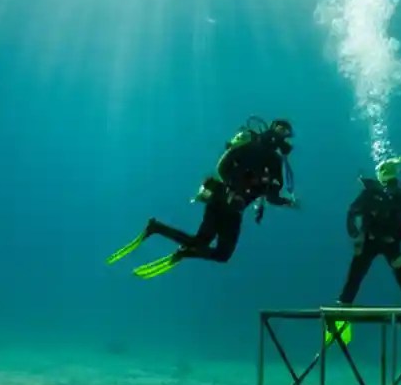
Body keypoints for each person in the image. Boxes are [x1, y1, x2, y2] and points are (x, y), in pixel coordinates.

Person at [106, 117, 299, 278]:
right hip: (223, 199)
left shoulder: (274, 162)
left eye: (285, 132)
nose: (281, 134)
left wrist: (287, 202)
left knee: (208, 247)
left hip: (231, 206)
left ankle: (158, 229)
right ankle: (177, 247)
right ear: (272, 128)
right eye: (280, 129)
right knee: (217, 251)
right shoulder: (253, 145)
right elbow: (223, 166)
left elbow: (271, 195)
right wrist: (233, 190)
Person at [336, 156, 401, 306]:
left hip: (383, 240)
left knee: (361, 273)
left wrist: (354, 233)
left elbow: (351, 212)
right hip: (376, 240)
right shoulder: (381, 194)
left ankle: (346, 301)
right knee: (359, 272)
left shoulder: (399, 195)